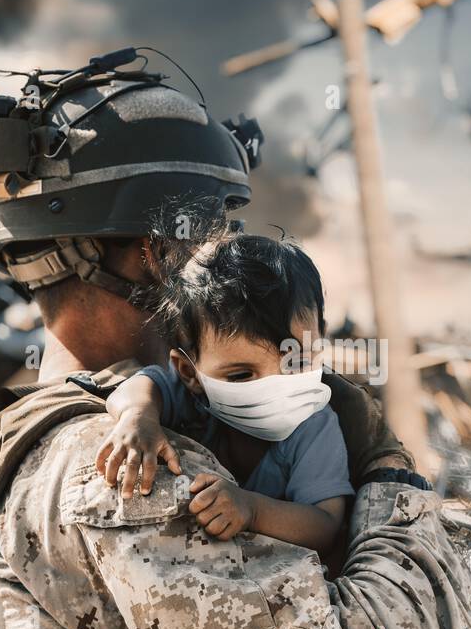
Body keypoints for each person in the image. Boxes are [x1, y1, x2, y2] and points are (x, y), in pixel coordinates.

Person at [0, 51, 471, 629]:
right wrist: (388, 473)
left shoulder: (72, 426)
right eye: (210, 238)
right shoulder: (122, 469)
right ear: (159, 256)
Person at [95, 234, 351, 558]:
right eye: (242, 375)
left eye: (296, 362)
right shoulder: (188, 398)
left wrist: (253, 510)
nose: (276, 385)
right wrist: (138, 417)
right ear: (190, 373)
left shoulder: (314, 425)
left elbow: (326, 524)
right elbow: (135, 387)